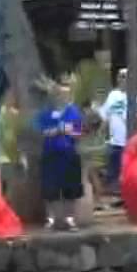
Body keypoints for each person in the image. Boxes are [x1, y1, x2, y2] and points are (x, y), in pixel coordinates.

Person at [36, 84, 84, 231]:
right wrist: (58, 130)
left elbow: (79, 133)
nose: (62, 97)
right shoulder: (45, 113)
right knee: (50, 188)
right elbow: (41, 132)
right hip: (50, 153)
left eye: (66, 95)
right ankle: (51, 219)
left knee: (71, 188)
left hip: (69, 153)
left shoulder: (74, 112)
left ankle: (69, 219)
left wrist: (69, 132)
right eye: (59, 95)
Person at [97, 68, 137, 196]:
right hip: (115, 142)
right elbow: (104, 116)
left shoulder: (136, 95)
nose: (123, 79)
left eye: (126, 77)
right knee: (113, 173)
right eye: (121, 77)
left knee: (131, 172)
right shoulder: (112, 95)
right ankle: (115, 195)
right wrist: (100, 134)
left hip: (131, 142)